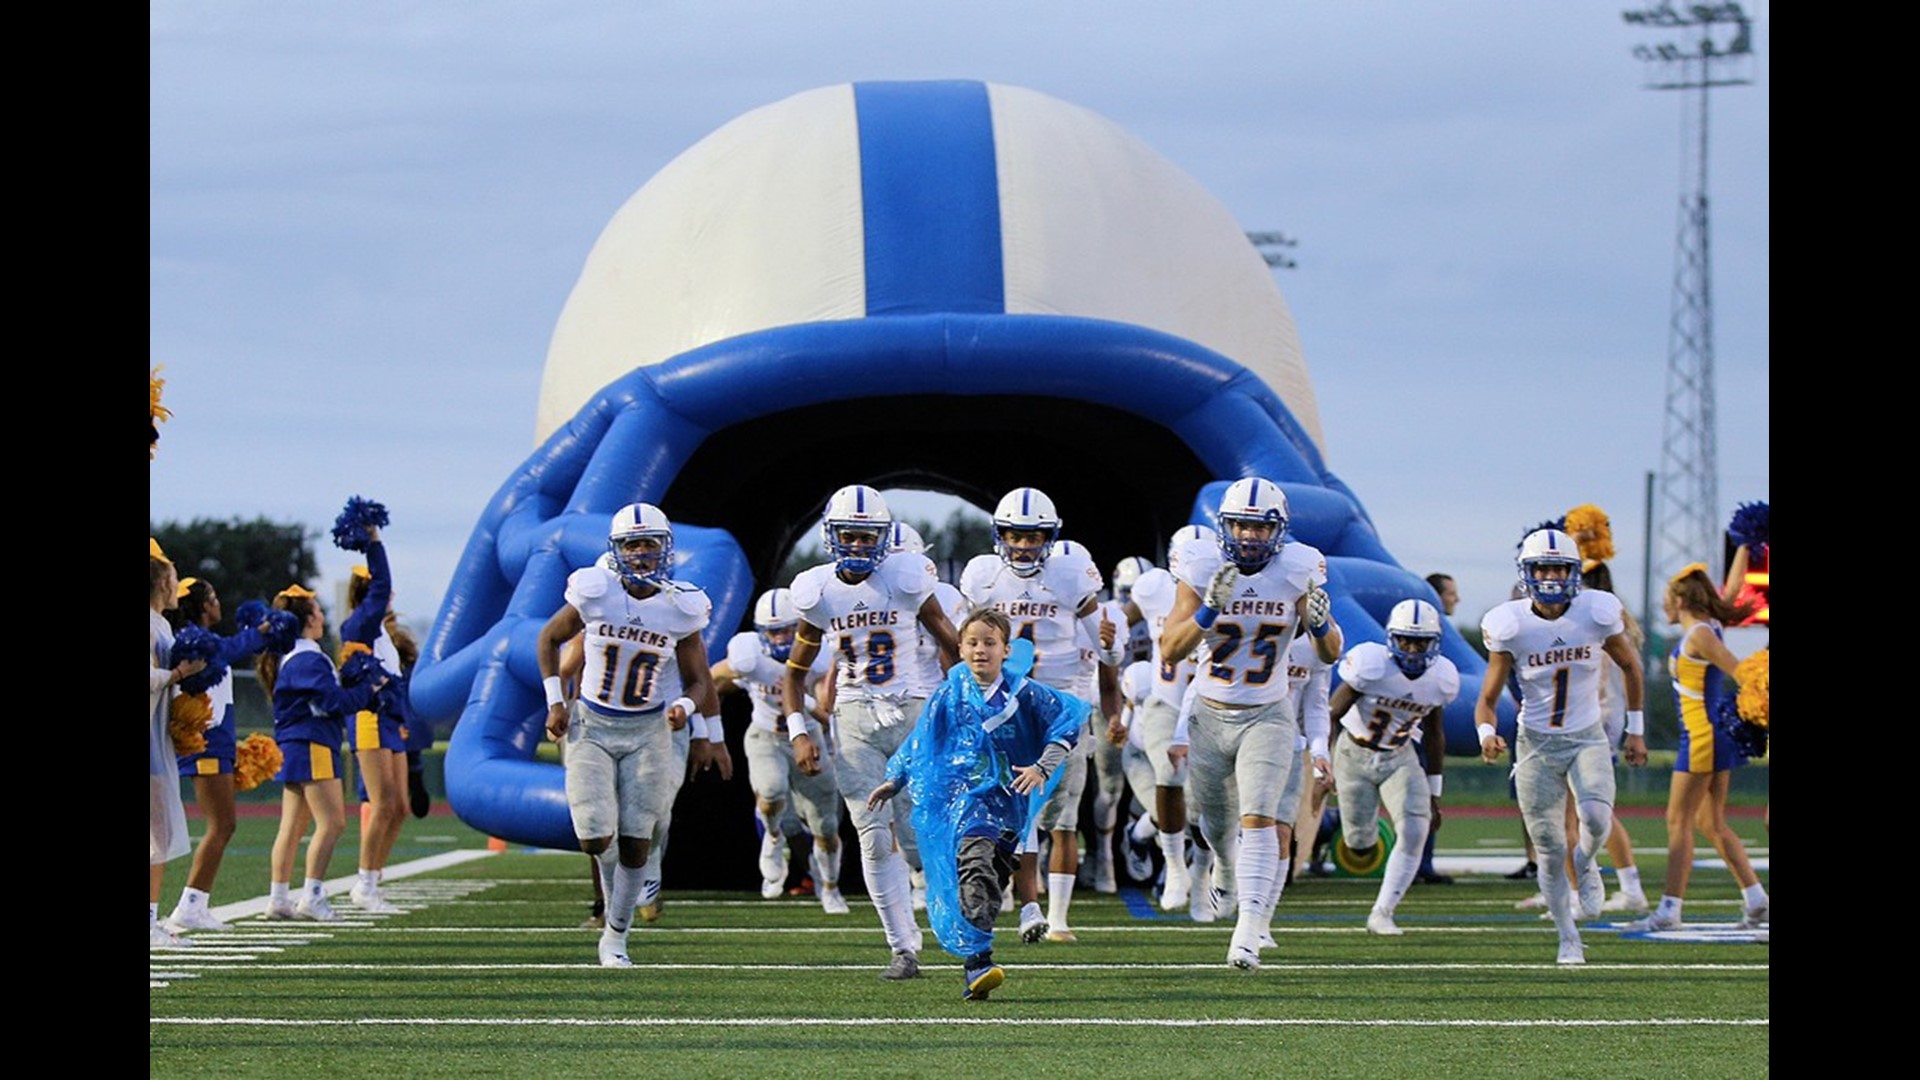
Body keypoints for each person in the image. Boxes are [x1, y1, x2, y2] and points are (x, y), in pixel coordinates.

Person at [1161, 477, 1343, 970]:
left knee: (1260, 817)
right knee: (1216, 825)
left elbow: (1330, 655)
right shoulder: (1202, 568)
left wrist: (1323, 625)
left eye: (1259, 528)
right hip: (1209, 711)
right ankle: (1222, 868)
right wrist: (1206, 612)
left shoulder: (1298, 569)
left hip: (1268, 711)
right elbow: (1169, 649)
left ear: (1278, 531)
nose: (1247, 537)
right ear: (1223, 526)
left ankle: (1247, 934)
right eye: (1239, 525)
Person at [535, 502, 724, 967]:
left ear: (666, 549)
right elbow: (548, 639)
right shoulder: (595, 592)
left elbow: (700, 680)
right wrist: (555, 701)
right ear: (616, 551)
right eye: (632, 544)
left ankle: (616, 936)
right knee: (595, 837)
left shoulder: (680, 606)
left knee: (640, 838)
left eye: (650, 544)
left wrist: (687, 710)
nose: (641, 553)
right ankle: (615, 897)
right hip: (593, 725)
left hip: (649, 729)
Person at [782, 485, 958, 980]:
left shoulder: (907, 579)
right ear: (832, 537)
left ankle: (960, 915)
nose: (859, 546)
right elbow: (794, 674)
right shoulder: (819, 592)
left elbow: (953, 648)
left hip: (914, 712)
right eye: (850, 536)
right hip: (855, 716)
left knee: (921, 836)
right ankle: (903, 947)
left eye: (868, 536)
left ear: (884, 538)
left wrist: (968, 709)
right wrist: (799, 731)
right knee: (873, 835)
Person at [867, 610, 1086, 1001]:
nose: (980, 650)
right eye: (972, 642)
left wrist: (1042, 766)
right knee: (975, 864)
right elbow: (922, 738)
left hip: (1009, 803)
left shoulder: (1025, 693)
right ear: (960, 647)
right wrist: (896, 777)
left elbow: (1068, 720)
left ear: (1006, 650)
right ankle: (978, 964)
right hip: (967, 802)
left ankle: (978, 955)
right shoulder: (950, 693)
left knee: (990, 877)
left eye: (989, 643)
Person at [1474, 528, 1646, 965]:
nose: (1550, 577)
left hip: (1587, 733)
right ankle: (1568, 937)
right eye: (1542, 568)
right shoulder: (1509, 624)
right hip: (1534, 742)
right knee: (1548, 849)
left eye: (1558, 568)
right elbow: (1488, 699)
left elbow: (1631, 666)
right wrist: (1486, 733)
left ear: (1575, 573)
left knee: (1595, 818)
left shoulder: (1597, 612)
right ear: (1526, 573)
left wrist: (1637, 729)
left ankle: (1587, 861)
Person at [959, 490, 1120, 944]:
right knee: (1017, 815)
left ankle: (1060, 917)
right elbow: (969, 643)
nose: (1024, 545)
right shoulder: (983, 577)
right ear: (1000, 535)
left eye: (1034, 536)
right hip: (1005, 712)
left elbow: (1108, 652)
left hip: (1059, 709)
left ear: (1050, 537)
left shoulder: (1071, 575)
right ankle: (1028, 906)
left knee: (1062, 818)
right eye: (1016, 535)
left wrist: (1108, 642)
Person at [1631, 563, 1770, 931]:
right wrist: (1745, 543)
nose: (1663, 608)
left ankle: (1669, 910)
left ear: (1679, 599)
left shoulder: (1700, 637)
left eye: (1666, 600)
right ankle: (1757, 901)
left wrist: (1757, 702)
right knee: (1711, 822)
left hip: (1703, 736)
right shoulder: (1707, 628)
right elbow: (1729, 592)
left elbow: (1741, 672)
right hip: (1710, 735)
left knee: (1678, 822)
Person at [712, 587, 849, 914]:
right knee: (771, 792)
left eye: (787, 629)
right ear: (760, 634)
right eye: (772, 632)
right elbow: (712, 677)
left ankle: (829, 887)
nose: (780, 638)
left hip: (808, 735)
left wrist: (808, 700)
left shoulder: (817, 654)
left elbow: (825, 708)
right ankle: (773, 838)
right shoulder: (748, 655)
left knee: (826, 825)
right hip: (765, 736)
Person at [1328, 598, 1458, 935]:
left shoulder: (1441, 678)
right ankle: (1358, 834)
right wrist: (1322, 763)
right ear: (1391, 638)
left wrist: (1434, 792)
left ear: (1435, 643)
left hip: (1399, 756)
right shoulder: (1371, 664)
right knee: (1358, 843)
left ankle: (1383, 912)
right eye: (1406, 640)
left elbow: (1434, 735)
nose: (1413, 649)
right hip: (1353, 754)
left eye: (1421, 642)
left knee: (1416, 828)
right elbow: (1332, 713)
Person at [261, 584, 388, 923]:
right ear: (307, 620)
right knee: (332, 823)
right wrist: (368, 688)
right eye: (317, 611)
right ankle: (313, 896)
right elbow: (331, 703)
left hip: (298, 742)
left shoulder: (298, 654)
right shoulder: (307, 657)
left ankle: (278, 898)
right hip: (312, 741)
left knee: (293, 824)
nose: (323, 616)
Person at [163, 577, 268, 933]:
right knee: (222, 824)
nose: (219, 602)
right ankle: (191, 904)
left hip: (217, 742)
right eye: (215, 596)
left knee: (224, 824)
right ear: (204, 605)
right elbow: (234, 648)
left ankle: (195, 903)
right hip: (205, 744)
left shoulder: (205, 641)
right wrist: (263, 630)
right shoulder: (197, 643)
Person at [1122, 525, 1217, 914]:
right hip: (1165, 701)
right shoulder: (1153, 587)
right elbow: (1118, 619)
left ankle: (1203, 875)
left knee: (1211, 801)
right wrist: (1107, 634)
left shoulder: (1227, 592)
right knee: (1169, 775)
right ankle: (1176, 867)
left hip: (1211, 703)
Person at [336, 513, 410, 916]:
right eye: (383, 591)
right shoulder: (360, 623)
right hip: (367, 719)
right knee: (382, 804)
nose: (390, 595)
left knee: (397, 806)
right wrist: (374, 541)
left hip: (388, 720)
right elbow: (381, 583)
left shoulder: (380, 630)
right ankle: (364, 883)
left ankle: (374, 882)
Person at [152, 543, 209, 947]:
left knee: (158, 833)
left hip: (156, 738)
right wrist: (175, 674)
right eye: (173, 574)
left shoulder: (162, 625)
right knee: (156, 833)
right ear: (161, 581)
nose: (177, 581)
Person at [1414, 572, 1460, 885]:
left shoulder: (1442, 662)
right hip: (1394, 734)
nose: (1456, 599)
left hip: (1418, 728)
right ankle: (1418, 863)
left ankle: (1422, 863)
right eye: (1450, 593)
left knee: (1422, 801)